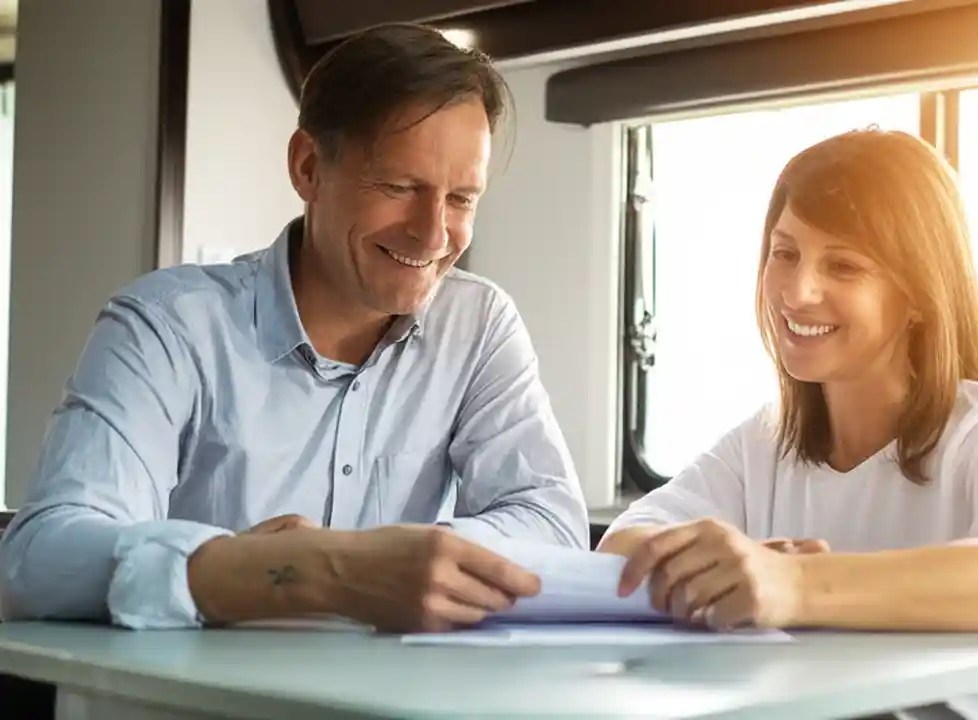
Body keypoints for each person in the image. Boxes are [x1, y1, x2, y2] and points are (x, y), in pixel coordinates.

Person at [0, 24, 588, 633]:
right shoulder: (167, 326)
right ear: (308, 167)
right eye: (399, 187)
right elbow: (38, 560)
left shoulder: (480, 326)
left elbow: (553, 525)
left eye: (462, 199)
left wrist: (394, 560)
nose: (434, 234)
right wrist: (294, 573)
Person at [598, 130, 978, 719]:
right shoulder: (762, 444)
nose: (798, 292)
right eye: (785, 254)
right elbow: (620, 549)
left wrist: (795, 584)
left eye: (844, 266)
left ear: (917, 296)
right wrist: (736, 566)